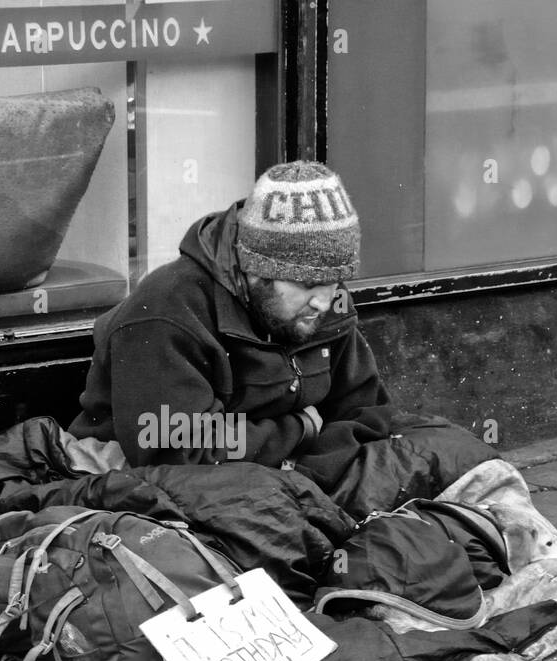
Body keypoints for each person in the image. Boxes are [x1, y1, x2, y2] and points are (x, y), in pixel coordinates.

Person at [69, 160, 397, 491]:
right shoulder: (166, 310)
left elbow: (366, 411)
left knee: (438, 452)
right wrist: (301, 428)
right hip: (144, 487)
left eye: (335, 280)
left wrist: (313, 477)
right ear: (254, 271)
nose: (324, 302)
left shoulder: (324, 304)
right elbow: (180, 452)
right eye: (306, 284)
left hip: (285, 475)